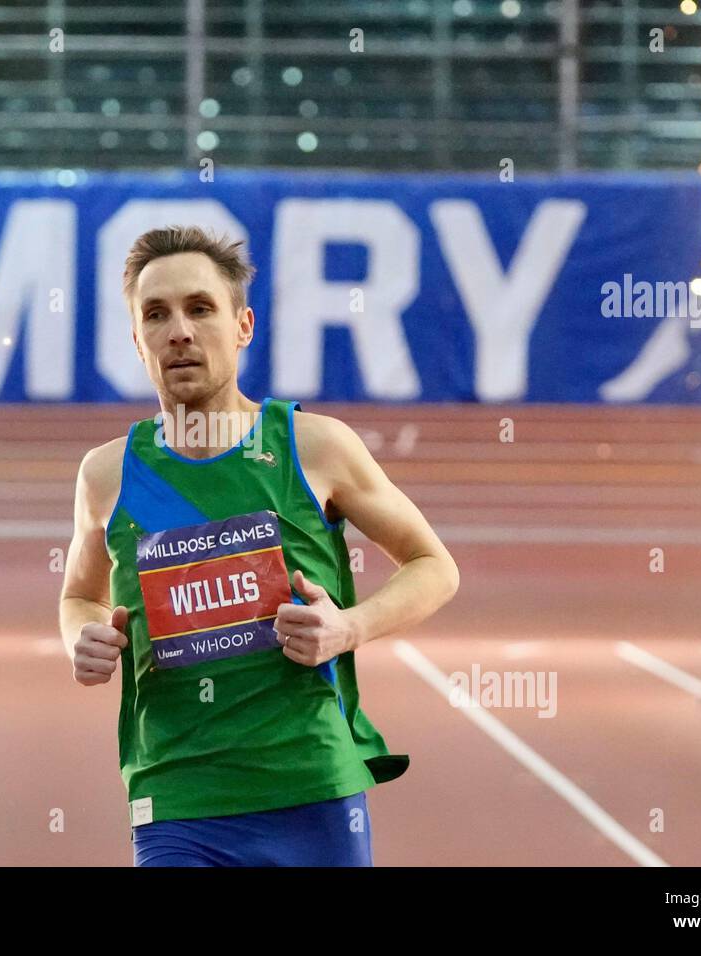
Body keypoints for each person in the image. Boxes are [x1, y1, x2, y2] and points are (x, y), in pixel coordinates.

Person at [58, 225, 459, 866]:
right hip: (177, 792)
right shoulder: (106, 475)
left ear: (243, 326)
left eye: (200, 308)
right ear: (137, 341)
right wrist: (81, 635)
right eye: (155, 315)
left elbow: (434, 566)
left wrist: (347, 628)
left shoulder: (315, 447)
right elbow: (80, 594)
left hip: (310, 785)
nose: (179, 331)